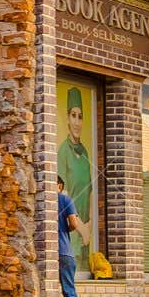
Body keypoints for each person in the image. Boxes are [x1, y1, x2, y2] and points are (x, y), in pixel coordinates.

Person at [57, 87, 94, 265]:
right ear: (66, 118)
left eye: (80, 116)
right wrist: (81, 230)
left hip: (87, 233)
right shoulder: (63, 152)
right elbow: (62, 197)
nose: (77, 122)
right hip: (73, 234)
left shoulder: (86, 152)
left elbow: (91, 191)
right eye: (73, 115)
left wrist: (90, 226)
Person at [57, 174, 93, 297]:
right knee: (69, 291)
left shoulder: (41, 200)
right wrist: (67, 229)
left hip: (45, 254)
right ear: (59, 186)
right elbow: (74, 223)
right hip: (64, 251)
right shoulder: (64, 199)